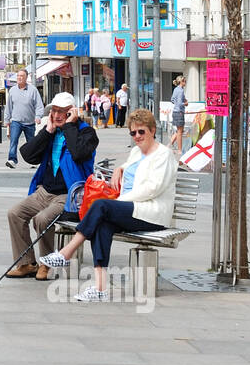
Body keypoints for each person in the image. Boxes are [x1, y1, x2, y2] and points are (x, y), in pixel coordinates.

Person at [39, 107, 179, 301]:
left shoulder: (163, 155)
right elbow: (129, 167)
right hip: (132, 210)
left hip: (150, 213)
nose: (137, 136)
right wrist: (119, 169)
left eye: (141, 131)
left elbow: (152, 189)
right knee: (102, 224)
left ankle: (66, 253)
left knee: (101, 206)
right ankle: (99, 287)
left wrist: (119, 202)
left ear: (152, 130)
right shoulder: (137, 153)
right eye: (133, 132)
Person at [4, 92, 98, 281]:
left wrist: (70, 125)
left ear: (72, 113)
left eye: (61, 112)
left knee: (42, 219)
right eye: (53, 111)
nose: (55, 115)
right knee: (15, 213)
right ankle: (26, 263)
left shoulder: (87, 133)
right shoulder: (51, 131)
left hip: (69, 194)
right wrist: (46, 133)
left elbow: (79, 153)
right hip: (44, 191)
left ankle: (46, 264)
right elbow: (28, 155)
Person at [3, 70, 45, 169]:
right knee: (13, 141)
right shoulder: (12, 90)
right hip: (16, 121)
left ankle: (33, 161)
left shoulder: (33, 90)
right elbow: (8, 106)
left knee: (31, 143)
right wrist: (6, 120)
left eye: (22, 76)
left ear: (26, 78)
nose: (19, 77)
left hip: (29, 122)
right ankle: (12, 160)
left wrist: (38, 116)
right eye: (18, 76)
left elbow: (39, 105)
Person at [170, 75, 187, 153]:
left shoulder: (176, 89)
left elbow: (172, 100)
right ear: (181, 82)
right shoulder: (180, 90)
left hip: (175, 111)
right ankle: (180, 150)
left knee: (178, 131)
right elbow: (180, 103)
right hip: (179, 112)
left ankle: (168, 146)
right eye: (184, 81)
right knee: (180, 132)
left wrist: (179, 103)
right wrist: (185, 103)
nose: (185, 82)